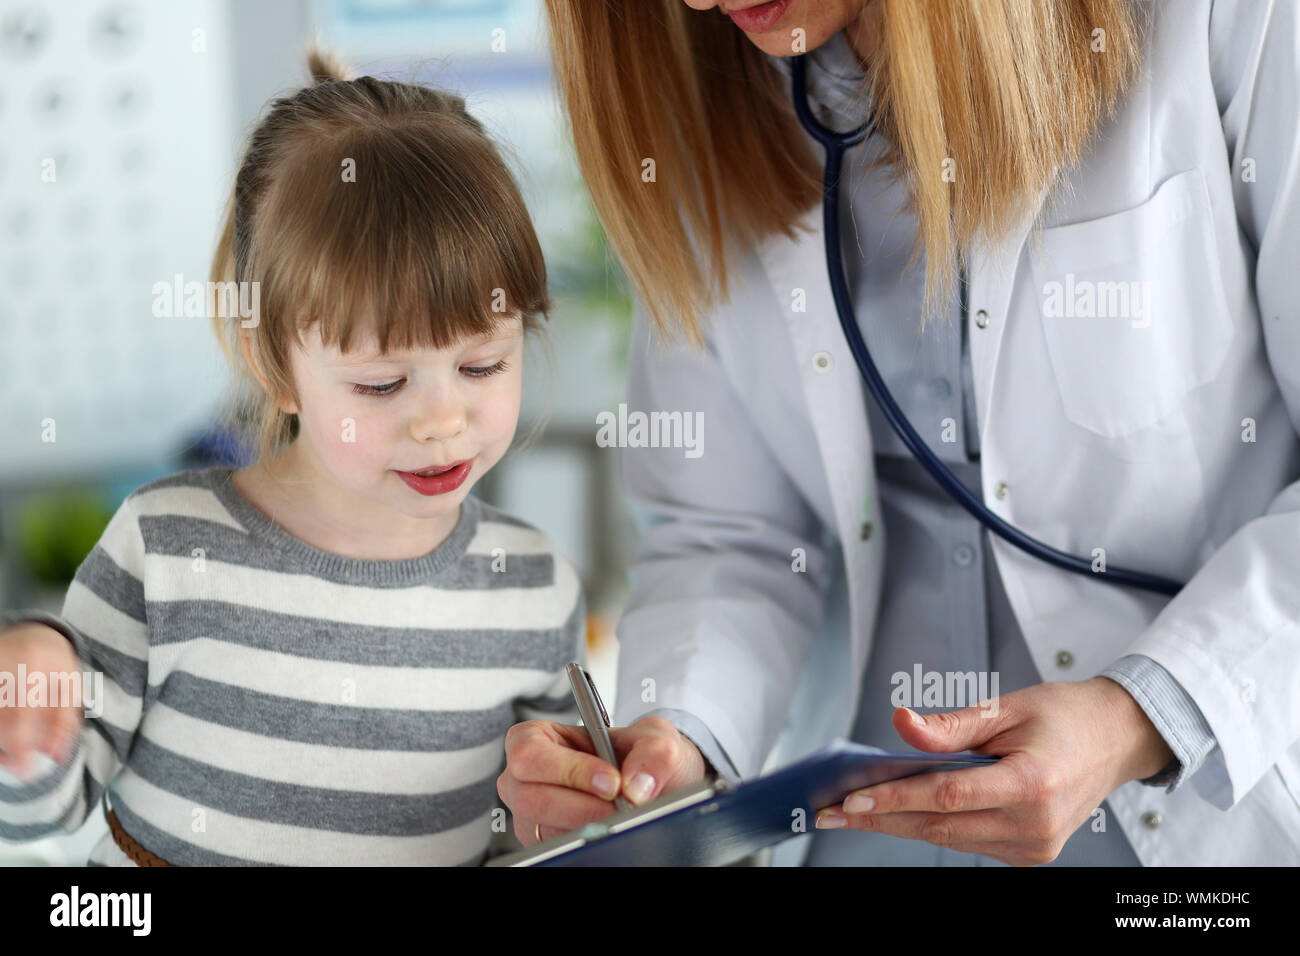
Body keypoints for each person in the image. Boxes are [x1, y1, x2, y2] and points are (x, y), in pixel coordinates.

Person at [498, 0, 1300, 865]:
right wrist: (676, 744)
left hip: (1194, 833)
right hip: (861, 830)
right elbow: (732, 535)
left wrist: (1139, 713)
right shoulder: (705, 82)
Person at [0, 46, 584, 866]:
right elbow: (34, 820)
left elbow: (542, 834)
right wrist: (31, 691)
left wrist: (565, 812)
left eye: (484, 364)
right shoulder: (166, 549)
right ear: (275, 365)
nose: (443, 421)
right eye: (383, 384)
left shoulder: (532, 588)